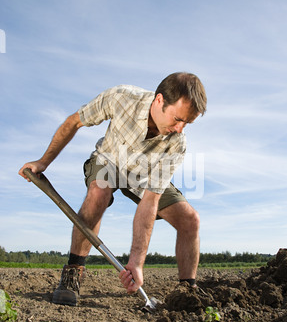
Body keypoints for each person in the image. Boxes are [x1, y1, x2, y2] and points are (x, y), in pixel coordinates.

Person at [19, 72, 207, 306]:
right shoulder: (122, 98)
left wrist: (136, 262)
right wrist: (43, 162)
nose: (180, 129)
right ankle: (73, 272)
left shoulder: (177, 143)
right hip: (108, 161)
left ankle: (187, 291)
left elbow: (150, 200)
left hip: (143, 175)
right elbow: (74, 121)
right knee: (99, 191)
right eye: (178, 119)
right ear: (159, 101)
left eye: (187, 123)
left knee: (191, 220)